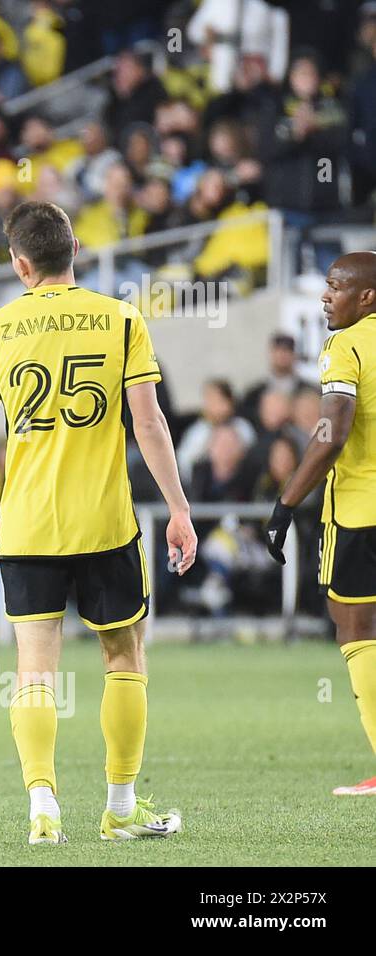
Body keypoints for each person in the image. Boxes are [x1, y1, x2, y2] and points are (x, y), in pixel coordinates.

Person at [0, 200, 198, 845]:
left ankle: (43, 807)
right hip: (106, 523)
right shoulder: (121, 319)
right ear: (77, 253)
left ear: (19, 263)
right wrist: (178, 507)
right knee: (124, 656)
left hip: (28, 525)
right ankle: (120, 807)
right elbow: (147, 422)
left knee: (35, 670)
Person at [265, 251, 376, 797]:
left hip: (361, 512)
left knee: (355, 627)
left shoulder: (346, 346)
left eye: (335, 287)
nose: (325, 297)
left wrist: (286, 504)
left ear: (367, 297)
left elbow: (330, 433)